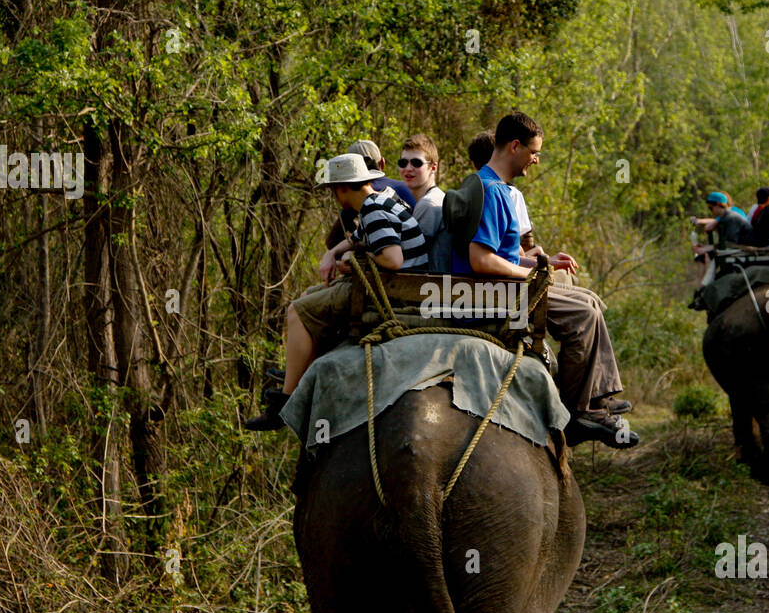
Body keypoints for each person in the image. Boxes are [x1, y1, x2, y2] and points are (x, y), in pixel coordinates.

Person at [445, 111, 638, 448]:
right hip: (491, 294)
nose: (535, 160)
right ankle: (577, 412)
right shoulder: (491, 191)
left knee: (590, 300)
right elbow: (480, 259)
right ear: (515, 146)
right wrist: (532, 275)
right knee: (584, 314)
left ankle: (598, 397)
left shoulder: (496, 188)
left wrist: (532, 263)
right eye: (534, 152)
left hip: (503, 284)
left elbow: (499, 255)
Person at [245, 154, 428, 430]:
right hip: (392, 282)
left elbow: (392, 260)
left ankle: (284, 404)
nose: (334, 196)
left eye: (333, 190)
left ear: (342, 188)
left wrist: (352, 267)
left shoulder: (372, 210)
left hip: (393, 290)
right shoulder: (380, 199)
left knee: (297, 310)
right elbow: (360, 239)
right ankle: (300, 375)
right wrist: (336, 253)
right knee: (310, 294)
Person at [692, 191, 752, 287]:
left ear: (719, 205)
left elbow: (730, 243)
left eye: (711, 208)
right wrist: (706, 248)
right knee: (706, 256)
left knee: (711, 257)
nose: (710, 211)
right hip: (737, 247)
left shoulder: (731, 217)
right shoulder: (725, 217)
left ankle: (705, 287)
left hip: (744, 248)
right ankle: (701, 287)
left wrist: (706, 248)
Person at [401, 133, 445, 240]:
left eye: (416, 163)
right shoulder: (435, 197)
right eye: (403, 162)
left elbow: (411, 253)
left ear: (433, 167)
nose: (408, 168)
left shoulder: (428, 204)